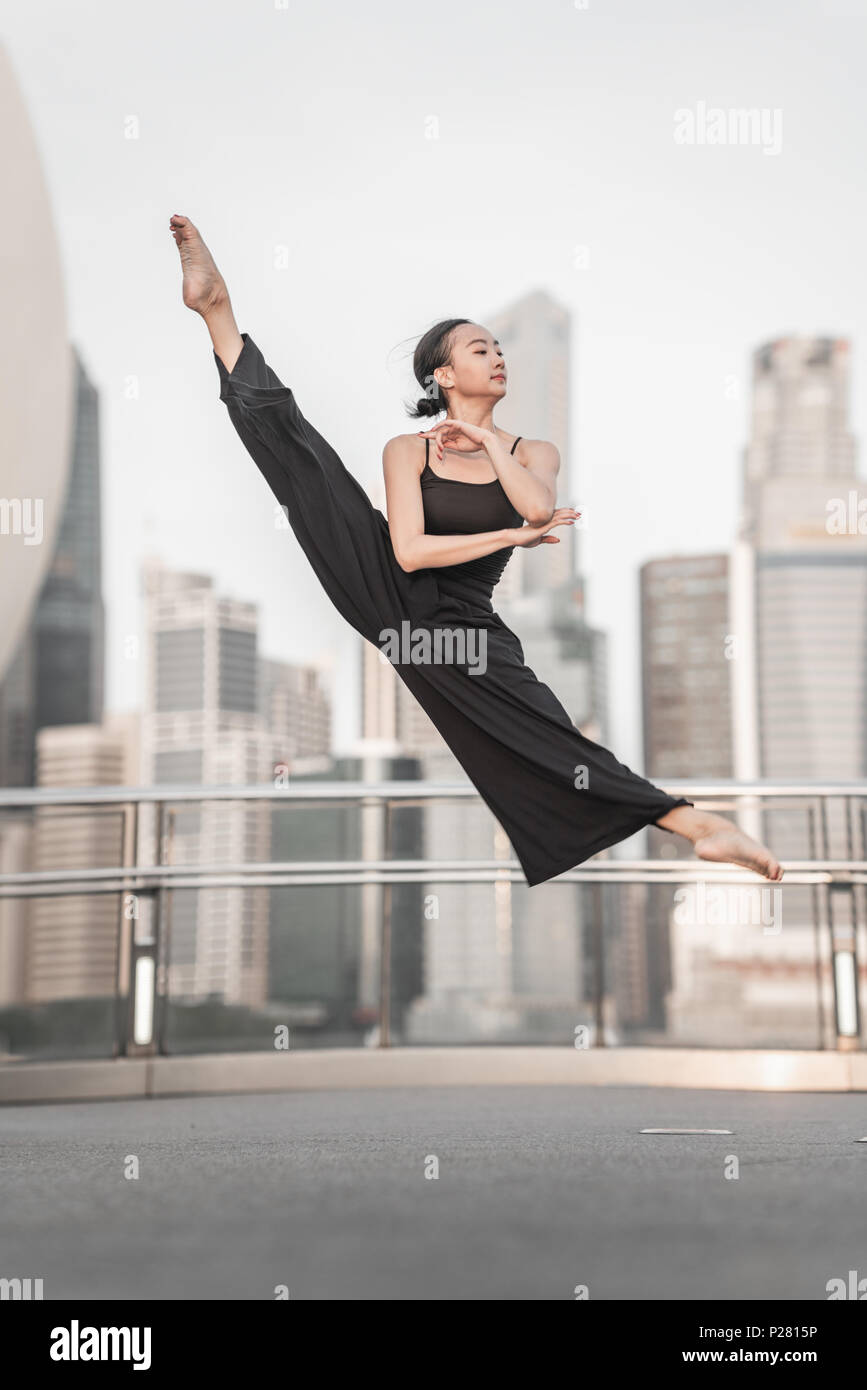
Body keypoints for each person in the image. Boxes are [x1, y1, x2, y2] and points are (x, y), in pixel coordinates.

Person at [169, 213, 783, 887]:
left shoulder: (531, 452)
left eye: (498, 348)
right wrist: (507, 537)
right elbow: (407, 552)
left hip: (459, 625)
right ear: (443, 373)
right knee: (306, 465)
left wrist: (490, 441)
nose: (496, 357)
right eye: (478, 349)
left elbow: (536, 508)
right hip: (382, 583)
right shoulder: (407, 450)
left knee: (544, 727)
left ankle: (699, 826)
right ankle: (216, 310)